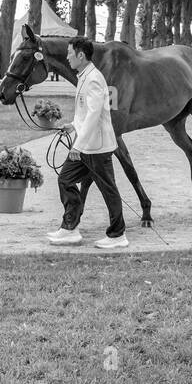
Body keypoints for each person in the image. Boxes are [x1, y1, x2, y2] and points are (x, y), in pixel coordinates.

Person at [47, 37, 127, 249]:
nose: (67, 57)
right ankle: (70, 228)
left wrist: (77, 146)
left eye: (70, 53)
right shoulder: (84, 75)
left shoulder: (92, 79)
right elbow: (85, 113)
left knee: (108, 189)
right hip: (87, 144)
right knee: (65, 180)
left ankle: (118, 234)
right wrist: (73, 125)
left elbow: (94, 115)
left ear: (81, 55)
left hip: (95, 147)